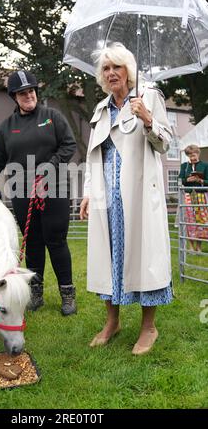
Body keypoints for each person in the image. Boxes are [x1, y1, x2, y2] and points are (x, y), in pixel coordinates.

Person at [80, 42, 173, 355]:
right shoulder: (100, 109)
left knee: (145, 257)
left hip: (139, 197)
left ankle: (149, 328)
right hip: (107, 199)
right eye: (105, 69)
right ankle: (112, 322)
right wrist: (87, 193)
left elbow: (166, 144)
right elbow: (95, 156)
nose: (110, 74)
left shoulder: (149, 96)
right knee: (108, 258)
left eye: (116, 67)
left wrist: (148, 120)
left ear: (128, 70)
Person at [0, 69, 77, 316]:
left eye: (32, 90)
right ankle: (36, 293)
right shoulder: (6, 128)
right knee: (33, 243)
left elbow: (69, 145)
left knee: (56, 241)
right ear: (14, 97)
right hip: (22, 191)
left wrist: (51, 165)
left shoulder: (52, 117)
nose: (29, 96)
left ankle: (67, 294)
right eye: (23, 93)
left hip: (54, 189)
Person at [178, 145, 208, 252]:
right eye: (189, 156)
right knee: (189, 220)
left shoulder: (205, 165)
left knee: (200, 220)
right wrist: (188, 179)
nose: (192, 158)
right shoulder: (184, 166)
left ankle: (199, 247)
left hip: (201, 196)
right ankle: (191, 246)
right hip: (188, 196)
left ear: (198, 154)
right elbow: (181, 180)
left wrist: (201, 181)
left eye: (193, 155)